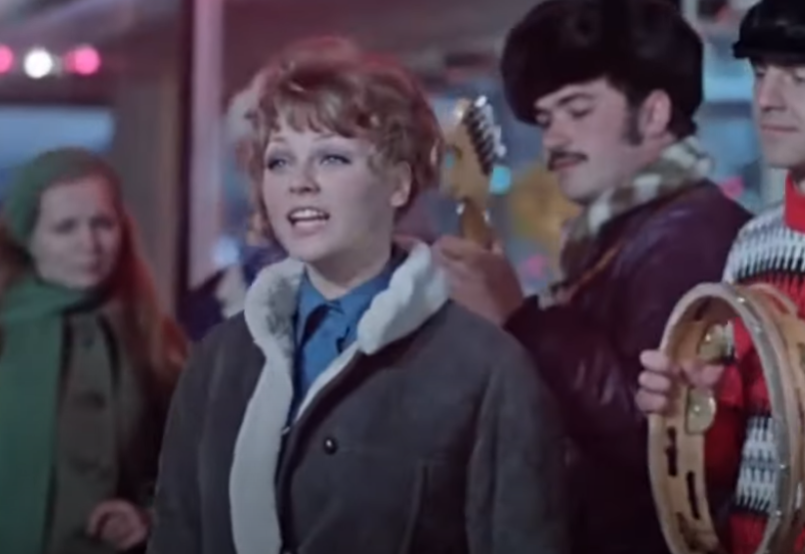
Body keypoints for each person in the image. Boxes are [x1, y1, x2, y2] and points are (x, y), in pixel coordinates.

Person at [147, 36, 567, 554]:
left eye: (331, 158)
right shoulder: (219, 360)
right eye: (279, 162)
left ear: (398, 183)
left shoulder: (485, 370)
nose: (299, 182)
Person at [432, 1, 751, 553]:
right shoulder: (624, 230)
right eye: (545, 119)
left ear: (653, 113)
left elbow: (656, 432)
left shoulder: (690, 233)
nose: (553, 140)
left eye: (577, 110)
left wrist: (521, 317)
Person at [637, 1, 805, 553]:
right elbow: (740, 454)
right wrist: (688, 409)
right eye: (760, 72)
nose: (767, 99)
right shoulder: (753, 246)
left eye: (799, 77)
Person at [0, 148, 187, 554]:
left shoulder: (153, 335)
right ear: (28, 238)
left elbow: (194, 463)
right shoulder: (7, 331)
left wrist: (148, 515)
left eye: (103, 224)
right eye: (65, 228)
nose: (89, 244)